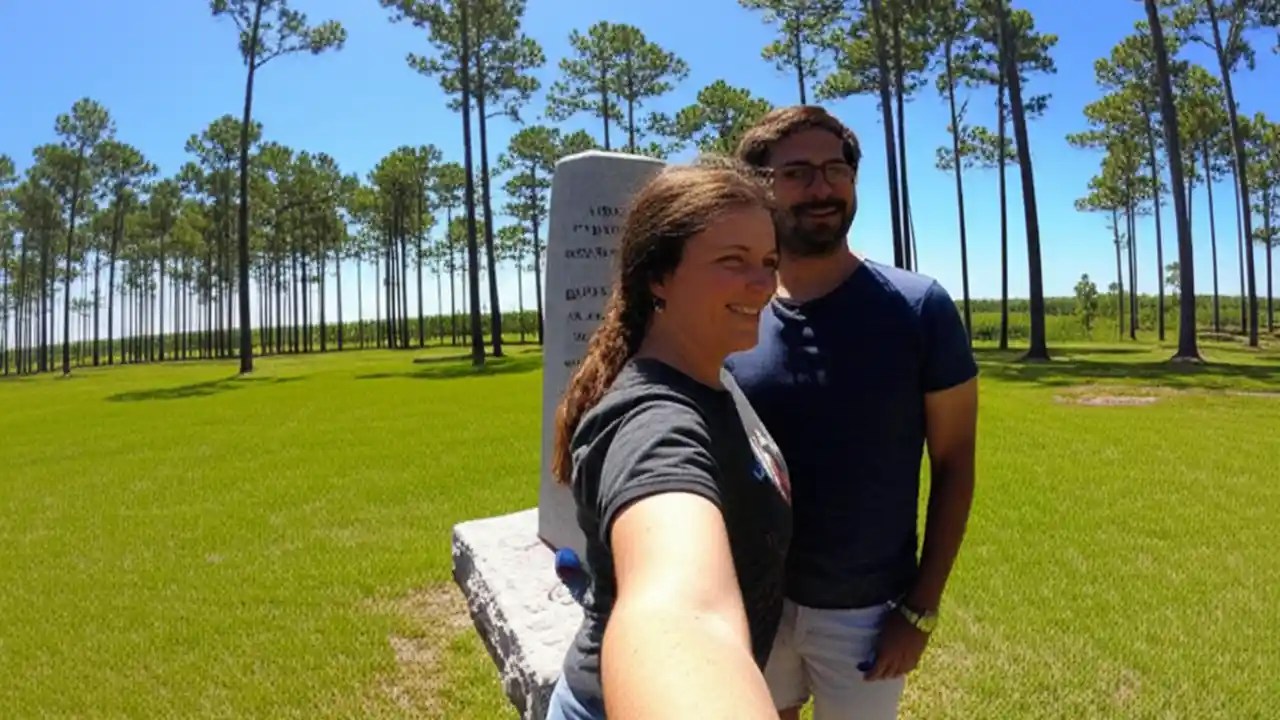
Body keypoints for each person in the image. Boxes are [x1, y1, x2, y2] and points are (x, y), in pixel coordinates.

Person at [725, 105, 979, 719]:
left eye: (836, 169)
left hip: (865, 615)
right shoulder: (732, 313)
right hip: (752, 603)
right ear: (759, 189)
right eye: (798, 173)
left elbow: (954, 463)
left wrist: (919, 609)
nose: (822, 187)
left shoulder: (920, 310)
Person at [544, 157, 795, 720]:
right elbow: (680, 613)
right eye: (733, 261)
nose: (763, 283)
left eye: (769, 261)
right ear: (659, 275)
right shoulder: (653, 418)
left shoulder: (715, 376)